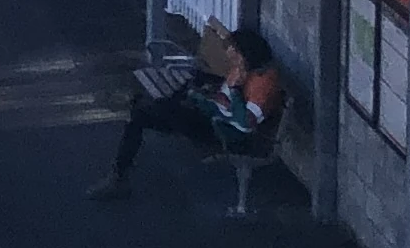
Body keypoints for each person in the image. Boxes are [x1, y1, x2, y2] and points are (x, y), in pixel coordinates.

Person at [91, 25, 282, 199]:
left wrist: (233, 90)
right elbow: (224, 101)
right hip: (212, 116)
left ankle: (119, 175)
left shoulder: (262, 83)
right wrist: (204, 95)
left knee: (152, 110)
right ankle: (120, 172)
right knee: (145, 109)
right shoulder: (242, 69)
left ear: (246, 53)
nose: (229, 53)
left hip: (223, 133)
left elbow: (246, 123)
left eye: (234, 50)